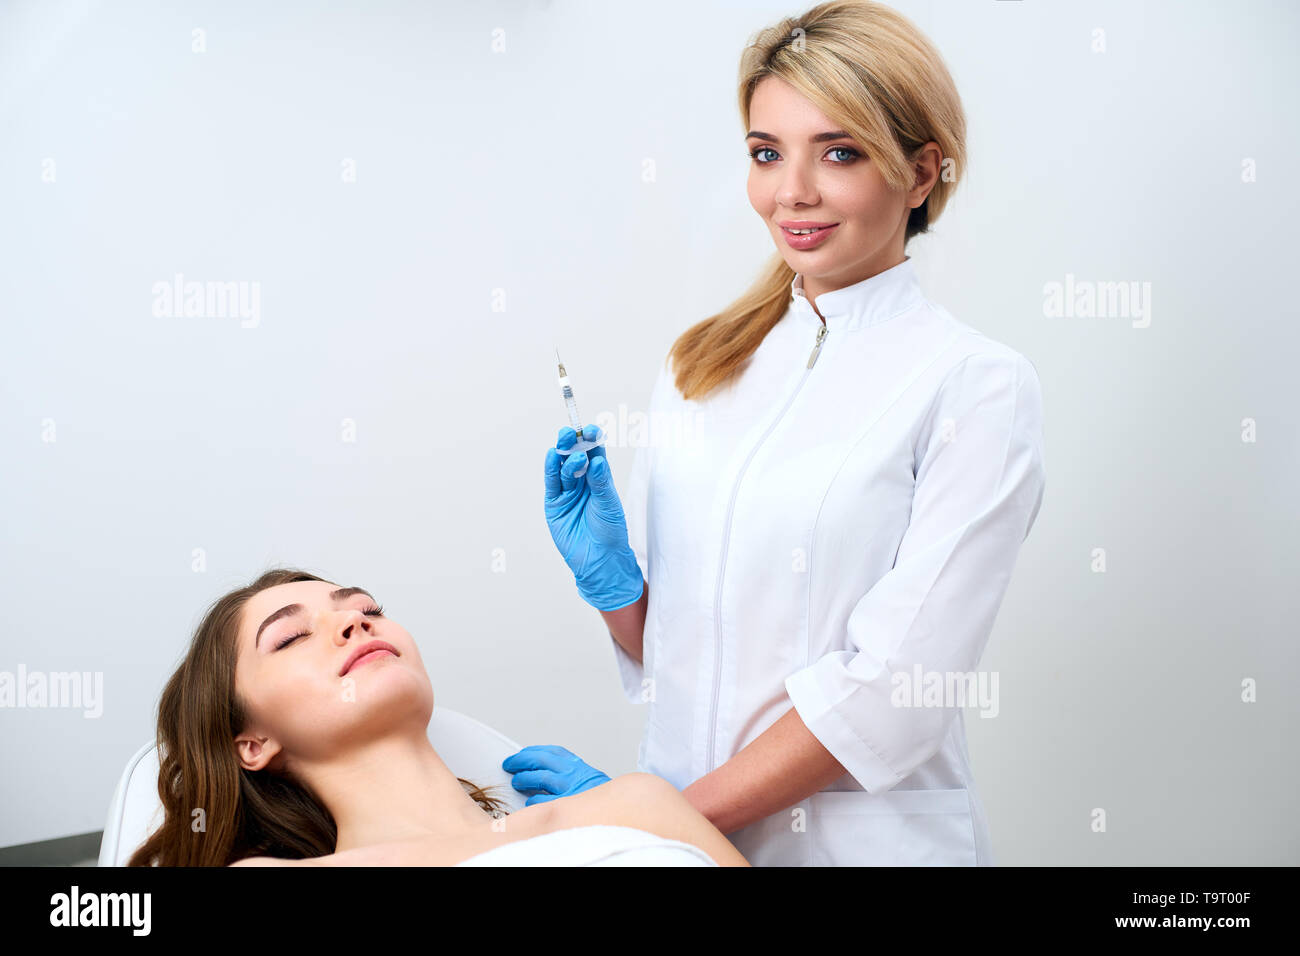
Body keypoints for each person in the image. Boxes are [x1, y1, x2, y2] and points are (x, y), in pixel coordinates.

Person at [515, 0, 1046, 865]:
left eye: (838, 152)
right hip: (684, 844)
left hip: (851, 847)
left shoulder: (975, 386)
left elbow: (895, 695)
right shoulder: (703, 367)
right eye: (767, 153)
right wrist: (616, 590)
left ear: (922, 173)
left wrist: (646, 822)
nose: (790, 191)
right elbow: (692, 652)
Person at [125, 568, 748, 867]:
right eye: (290, 638)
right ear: (251, 743)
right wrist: (592, 820)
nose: (356, 621)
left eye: (368, 607)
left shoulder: (637, 803)